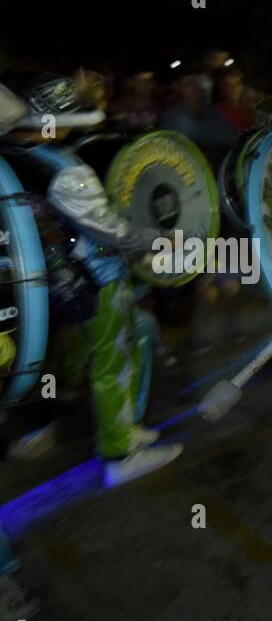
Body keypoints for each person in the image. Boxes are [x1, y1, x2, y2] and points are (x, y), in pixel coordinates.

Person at [2, 77, 182, 486]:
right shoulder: (61, 166)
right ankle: (120, 452)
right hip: (94, 277)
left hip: (49, 284)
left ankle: (124, 429)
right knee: (112, 359)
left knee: (109, 352)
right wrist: (156, 239)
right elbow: (108, 230)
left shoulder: (12, 154)